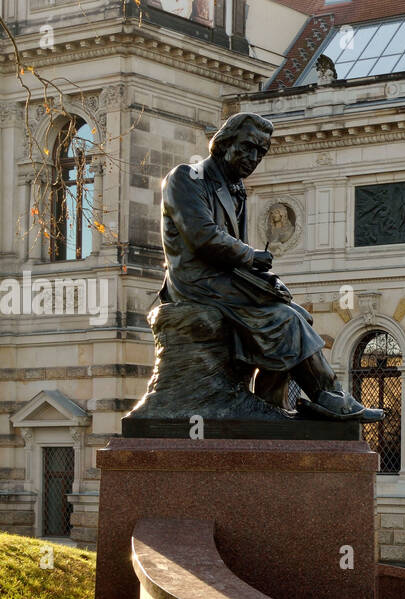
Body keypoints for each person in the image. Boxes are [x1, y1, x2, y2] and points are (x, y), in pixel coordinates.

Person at [159, 112, 382, 422]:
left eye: (260, 152)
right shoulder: (186, 177)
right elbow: (202, 236)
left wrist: (268, 280)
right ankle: (326, 395)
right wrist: (251, 256)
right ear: (224, 143)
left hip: (223, 280)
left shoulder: (235, 190)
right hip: (195, 281)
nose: (254, 158)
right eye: (248, 147)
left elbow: (231, 253)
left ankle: (271, 404)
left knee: (294, 312)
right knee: (284, 320)